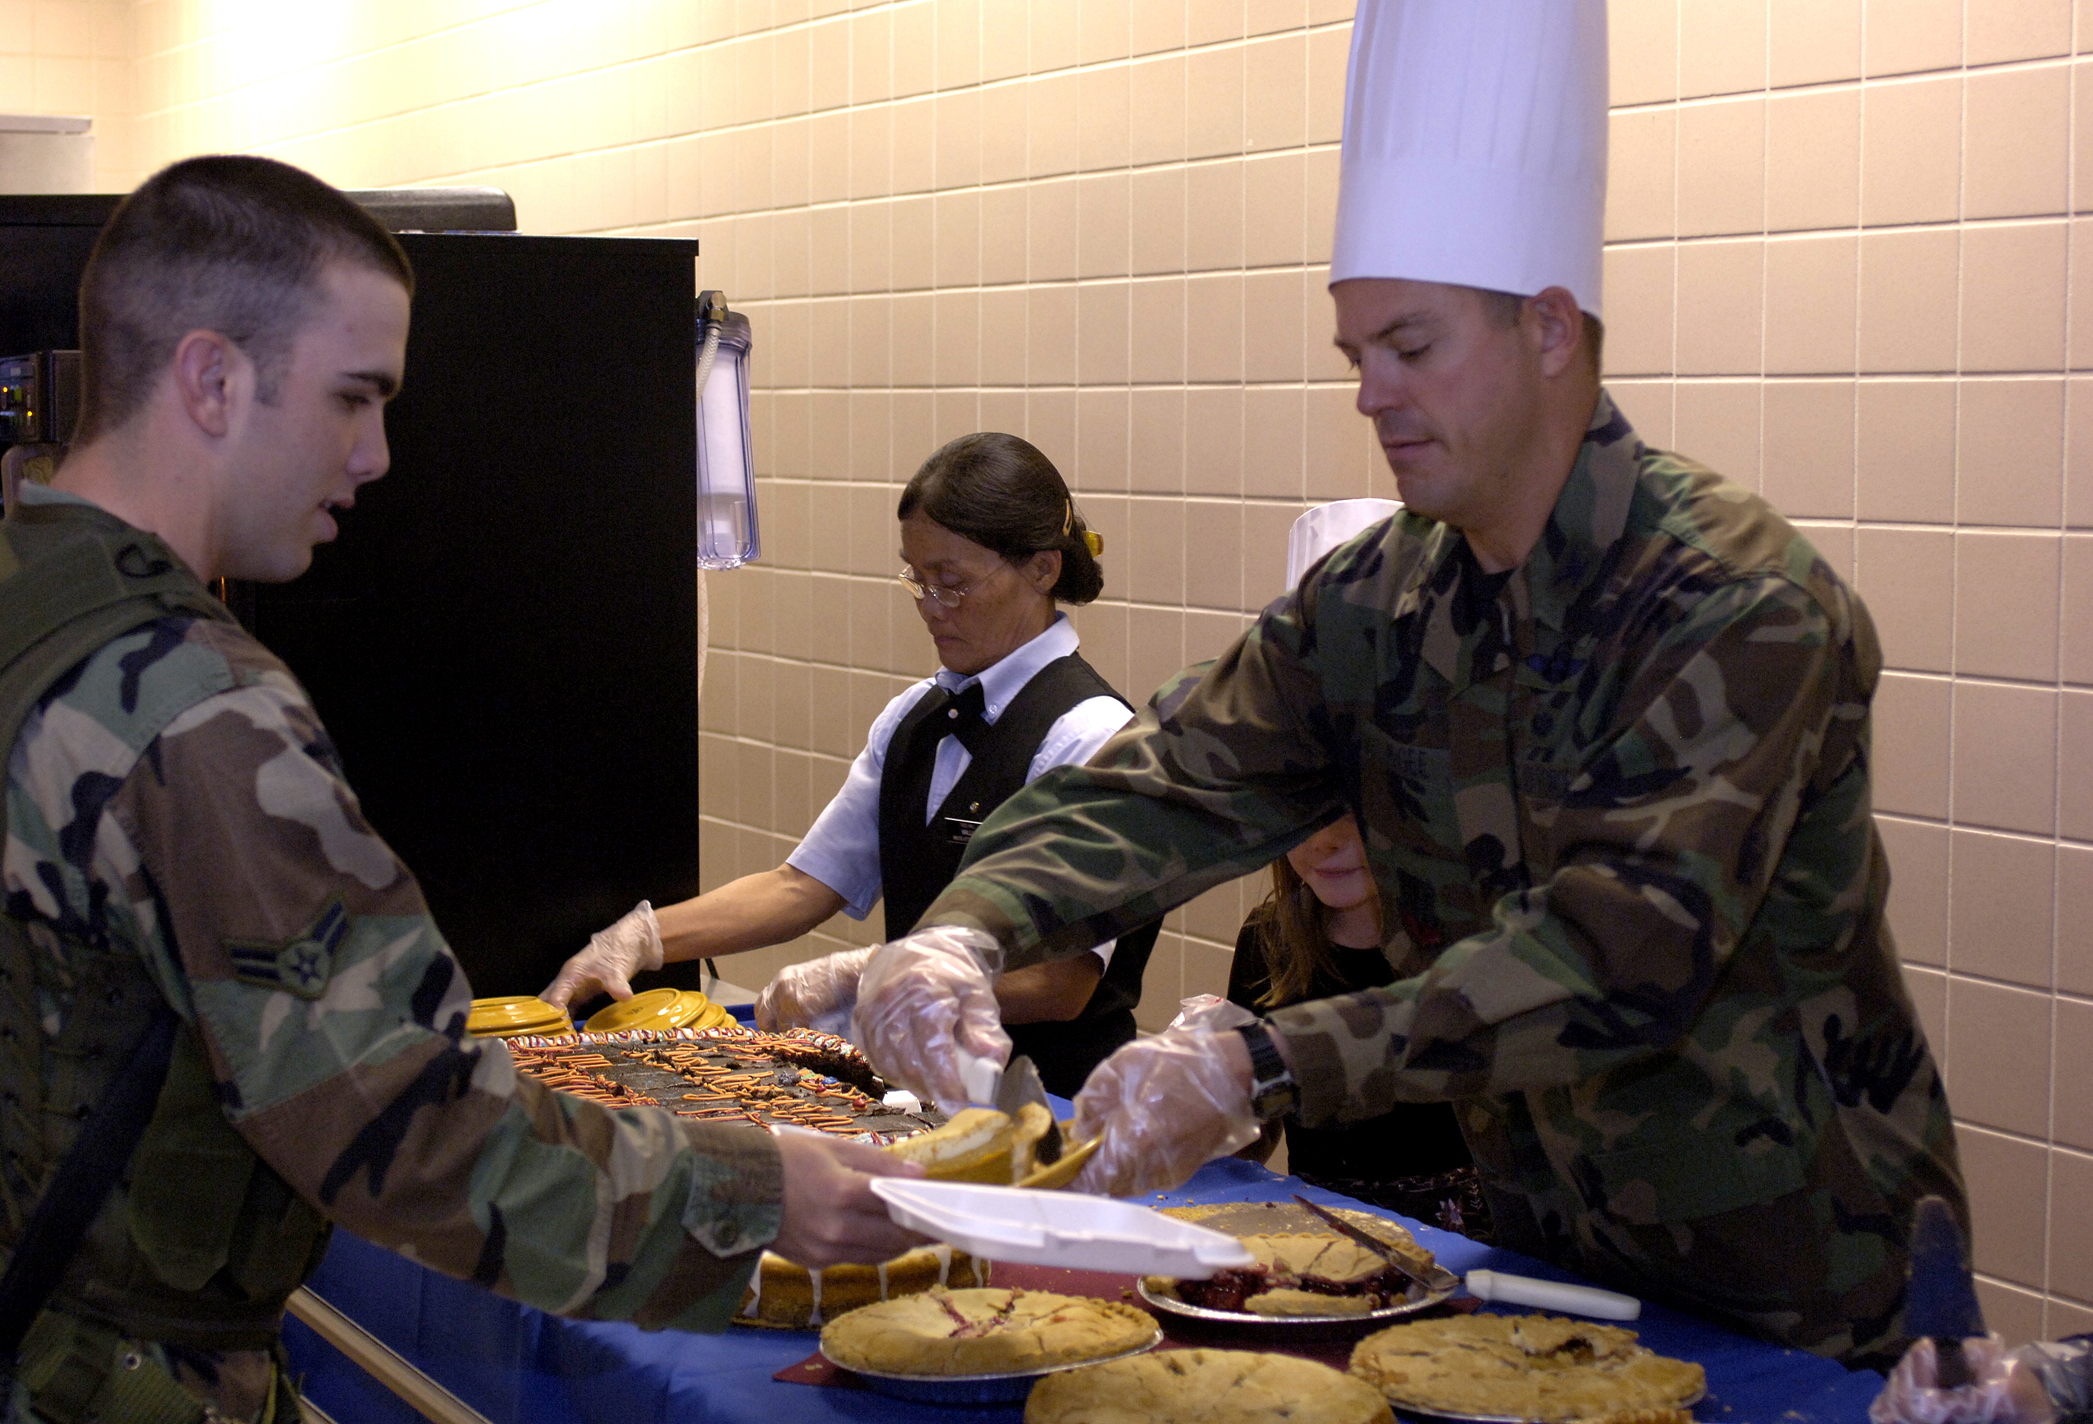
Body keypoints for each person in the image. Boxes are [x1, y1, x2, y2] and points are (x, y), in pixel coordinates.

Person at [842, 0, 1965, 1373]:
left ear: (1547, 329)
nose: (1371, 393)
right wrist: (968, 927)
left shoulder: (1731, 601)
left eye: (1412, 347)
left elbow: (1612, 959)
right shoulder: (1382, 600)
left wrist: (1262, 1064)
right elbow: (1176, 774)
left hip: (1803, 1295)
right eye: (1355, 355)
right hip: (1548, 1261)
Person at [0, 156, 921, 1424]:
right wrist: (760, 1191)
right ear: (211, 379)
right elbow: (408, 1119)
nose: (376, 455)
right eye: (353, 398)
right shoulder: (194, 707)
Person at [541, 432, 1155, 1098]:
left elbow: (1059, 983)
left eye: (952, 584)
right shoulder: (918, 717)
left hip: (1051, 1102)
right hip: (922, 1096)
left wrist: (870, 976)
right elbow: (802, 886)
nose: (929, 606)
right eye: (917, 579)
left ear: (1042, 570)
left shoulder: (1091, 736)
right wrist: (640, 937)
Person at [1228, 816, 1487, 1241]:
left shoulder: (1473, 943)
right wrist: (1209, 1117)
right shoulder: (1269, 938)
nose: (1325, 840)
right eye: (1308, 812)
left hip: (1465, 1241)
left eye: (1353, 813)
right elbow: (1257, 1122)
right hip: (1320, 1232)